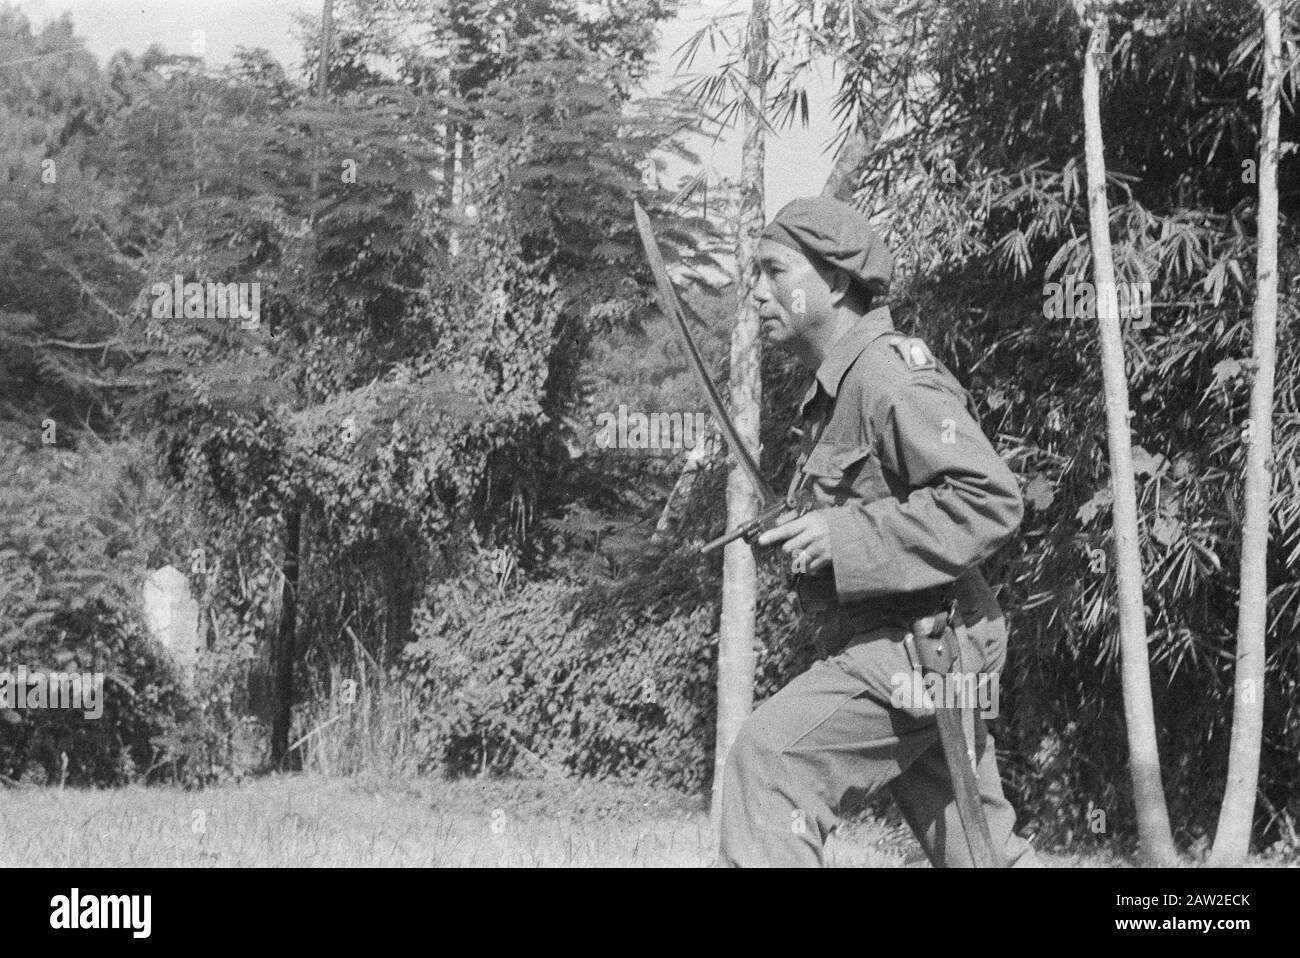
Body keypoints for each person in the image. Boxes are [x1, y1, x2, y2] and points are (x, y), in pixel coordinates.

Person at [717, 196, 1038, 868]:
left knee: (771, 759)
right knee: (983, 855)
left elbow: (989, 498)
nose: (756, 292)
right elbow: (879, 506)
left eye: (775, 271)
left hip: (927, 649)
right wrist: (804, 534)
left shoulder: (889, 374)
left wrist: (842, 536)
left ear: (834, 282)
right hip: (923, 646)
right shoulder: (836, 388)